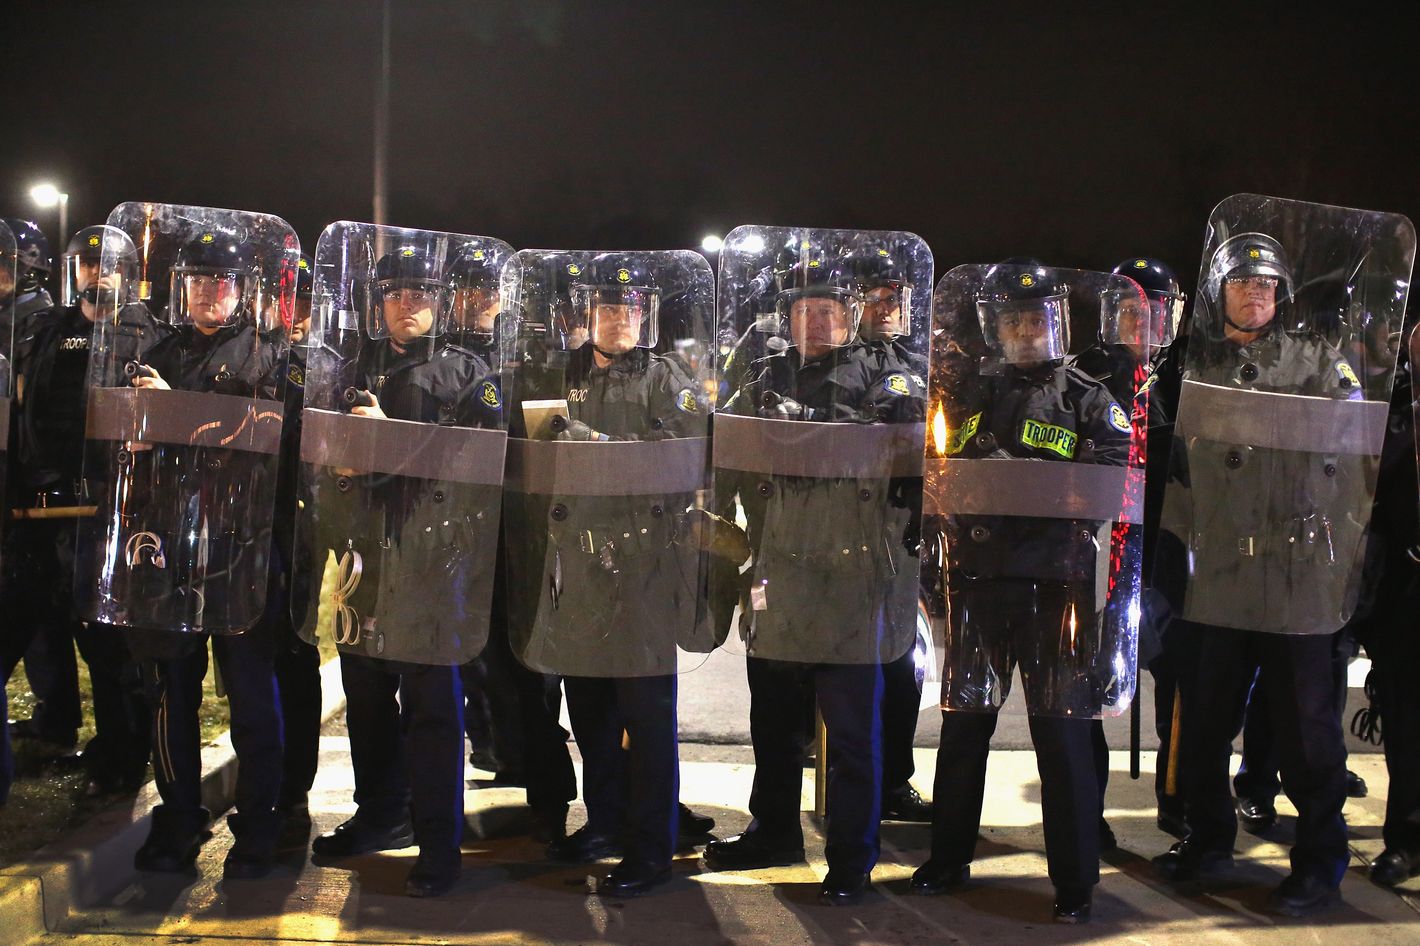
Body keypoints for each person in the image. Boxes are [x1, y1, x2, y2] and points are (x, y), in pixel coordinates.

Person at [1152, 230, 1370, 917]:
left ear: (1282, 294)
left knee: (1308, 729)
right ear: (1220, 292)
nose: (1256, 294)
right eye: (1244, 283)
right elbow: (1161, 459)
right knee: (1207, 721)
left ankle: (1320, 860)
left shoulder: (1318, 361)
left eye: (1268, 284)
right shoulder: (1189, 363)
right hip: (1215, 574)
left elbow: (1356, 448)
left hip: (1296, 577)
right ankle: (1208, 837)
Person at [912, 263, 1133, 924]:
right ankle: (947, 858)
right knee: (963, 728)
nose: (1024, 332)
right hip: (979, 584)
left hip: (1056, 587)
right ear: (995, 327)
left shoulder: (1090, 398)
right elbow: (936, 468)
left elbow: (1112, 479)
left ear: (1057, 324)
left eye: (1035, 320)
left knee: (1062, 738)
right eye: (1012, 320)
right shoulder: (969, 392)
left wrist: (1033, 484)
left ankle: (1075, 883)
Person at [704, 250, 925, 905]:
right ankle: (774, 832)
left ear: (850, 315)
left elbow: (910, 465)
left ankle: (853, 858)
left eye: (828, 310)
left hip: (855, 578)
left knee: (854, 731)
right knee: (772, 724)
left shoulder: (890, 380)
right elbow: (728, 453)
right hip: (779, 571)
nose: (815, 321)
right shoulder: (766, 378)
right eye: (803, 310)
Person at [308, 242, 501, 897]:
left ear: (441, 302)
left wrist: (386, 441)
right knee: (365, 698)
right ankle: (382, 815)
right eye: (396, 293)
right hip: (365, 558)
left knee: (432, 708)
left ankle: (440, 839)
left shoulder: (468, 373)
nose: (408, 305)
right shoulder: (351, 367)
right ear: (379, 301)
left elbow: (482, 469)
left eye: (420, 294)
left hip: (431, 563)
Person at [115, 226, 287, 880]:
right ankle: (179, 818)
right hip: (168, 545)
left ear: (243, 288)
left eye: (222, 280)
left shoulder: (269, 355)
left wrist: (173, 413)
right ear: (180, 286)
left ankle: (258, 829)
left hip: (240, 545)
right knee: (171, 691)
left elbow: (265, 436)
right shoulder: (157, 350)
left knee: (249, 693)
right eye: (198, 279)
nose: (210, 291)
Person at [2, 226, 167, 798]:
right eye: (89, 268)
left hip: (109, 511)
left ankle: (125, 753)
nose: (99, 278)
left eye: (110, 268)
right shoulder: (49, 330)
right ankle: (85, 741)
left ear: (129, 274)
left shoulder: (150, 336)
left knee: (111, 643)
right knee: (52, 631)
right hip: (42, 515)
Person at [848, 245, 932, 823]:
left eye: (895, 297)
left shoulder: (926, 363)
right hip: (830, 532)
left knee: (902, 666)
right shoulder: (826, 357)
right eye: (873, 296)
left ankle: (894, 780)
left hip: (900, 536)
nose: (885, 307)